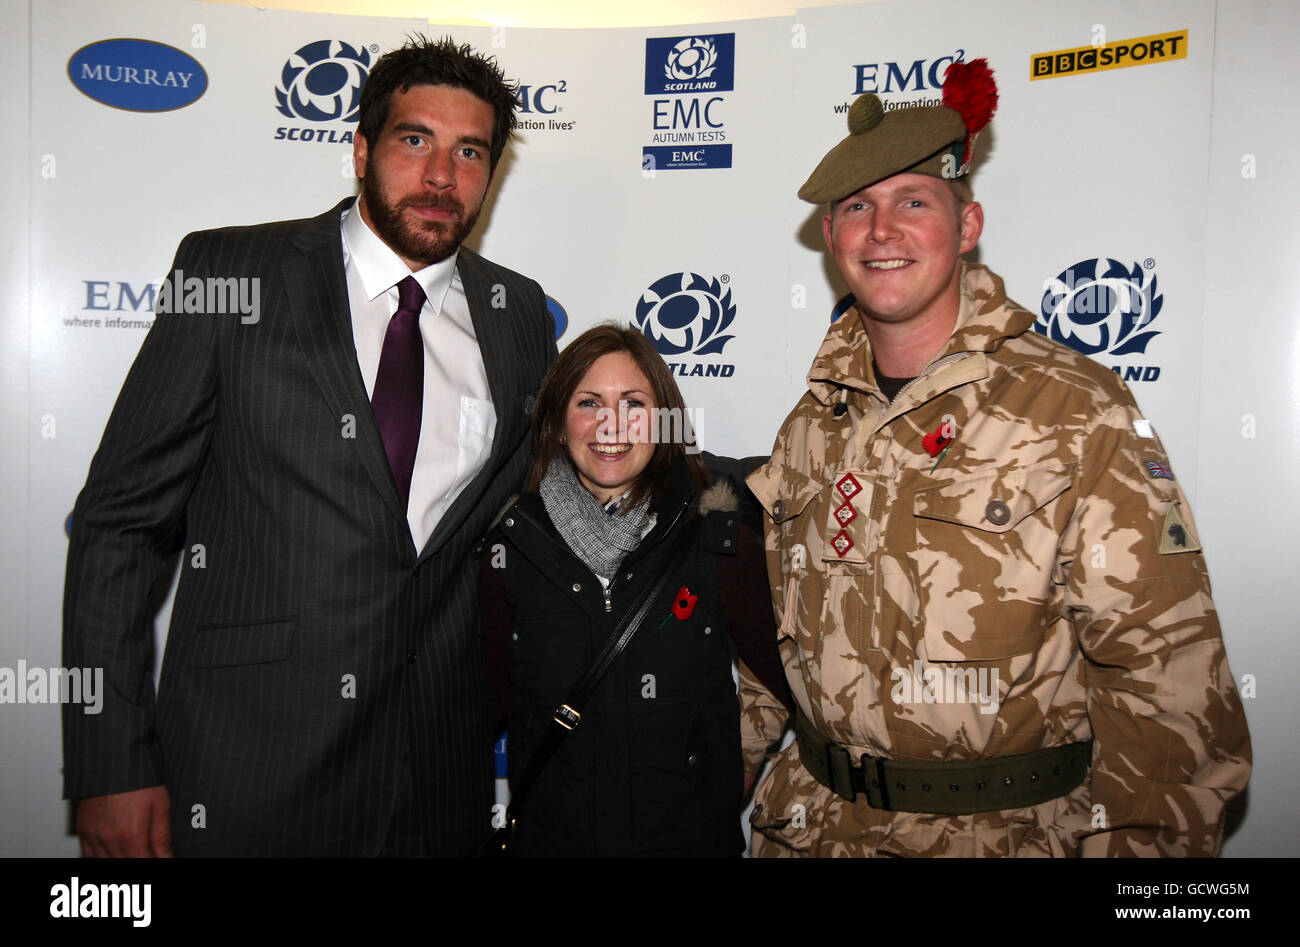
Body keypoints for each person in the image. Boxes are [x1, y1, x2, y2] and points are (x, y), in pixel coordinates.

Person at [741, 59, 1251, 856]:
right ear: (832, 236)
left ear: (967, 226)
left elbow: (1169, 686)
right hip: (815, 832)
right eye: (857, 208)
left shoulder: (1075, 409)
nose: (882, 230)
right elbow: (768, 650)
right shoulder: (811, 422)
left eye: (914, 201)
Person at [62, 36, 556, 856]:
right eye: (414, 140)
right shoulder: (231, 272)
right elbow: (120, 525)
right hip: (245, 766)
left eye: (469, 152)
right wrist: (110, 759)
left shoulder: (517, 314)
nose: (441, 176)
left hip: (436, 779)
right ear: (360, 150)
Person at [477, 325, 790, 856]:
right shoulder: (511, 548)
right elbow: (471, 714)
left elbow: (800, 680)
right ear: (556, 424)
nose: (611, 424)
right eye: (588, 402)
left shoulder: (717, 539)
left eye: (634, 403)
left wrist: (732, 763)